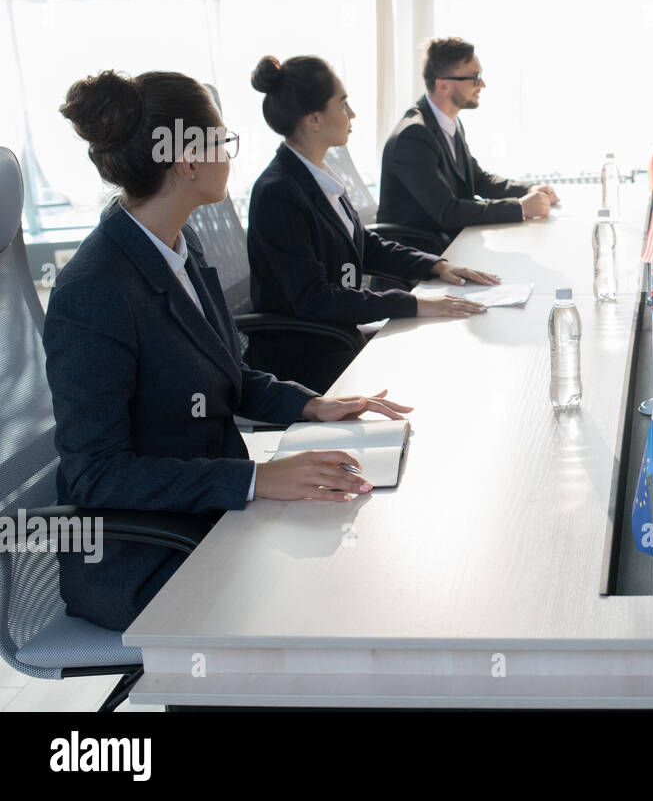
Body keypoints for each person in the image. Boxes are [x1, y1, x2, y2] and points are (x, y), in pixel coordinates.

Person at [48, 69, 409, 631]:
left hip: (203, 515)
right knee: (335, 594)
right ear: (188, 160)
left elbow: (226, 374)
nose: (230, 156)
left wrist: (311, 405)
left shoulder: (177, 245)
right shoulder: (94, 289)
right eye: (223, 141)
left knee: (359, 543)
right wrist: (255, 481)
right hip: (147, 556)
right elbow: (97, 474)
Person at [246, 55, 497, 392]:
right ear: (314, 119)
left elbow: (364, 244)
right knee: (439, 370)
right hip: (307, 359)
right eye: (343, 103)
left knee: (453, 346)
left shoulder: (315, 175)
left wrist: (437, 267)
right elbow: (315, 299)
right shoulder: (278, 193)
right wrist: (414, 303)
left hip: (339, 335)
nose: (352, 114)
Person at [377, 37, 559, 249]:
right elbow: (447, 211)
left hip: (455, 244)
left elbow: (478, 179)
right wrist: (520, 208)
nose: (482, 84)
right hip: (424, 258)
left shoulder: (449, 122)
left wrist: (528, 190)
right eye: (474, 78)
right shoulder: (414, 135)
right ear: (443, 85)